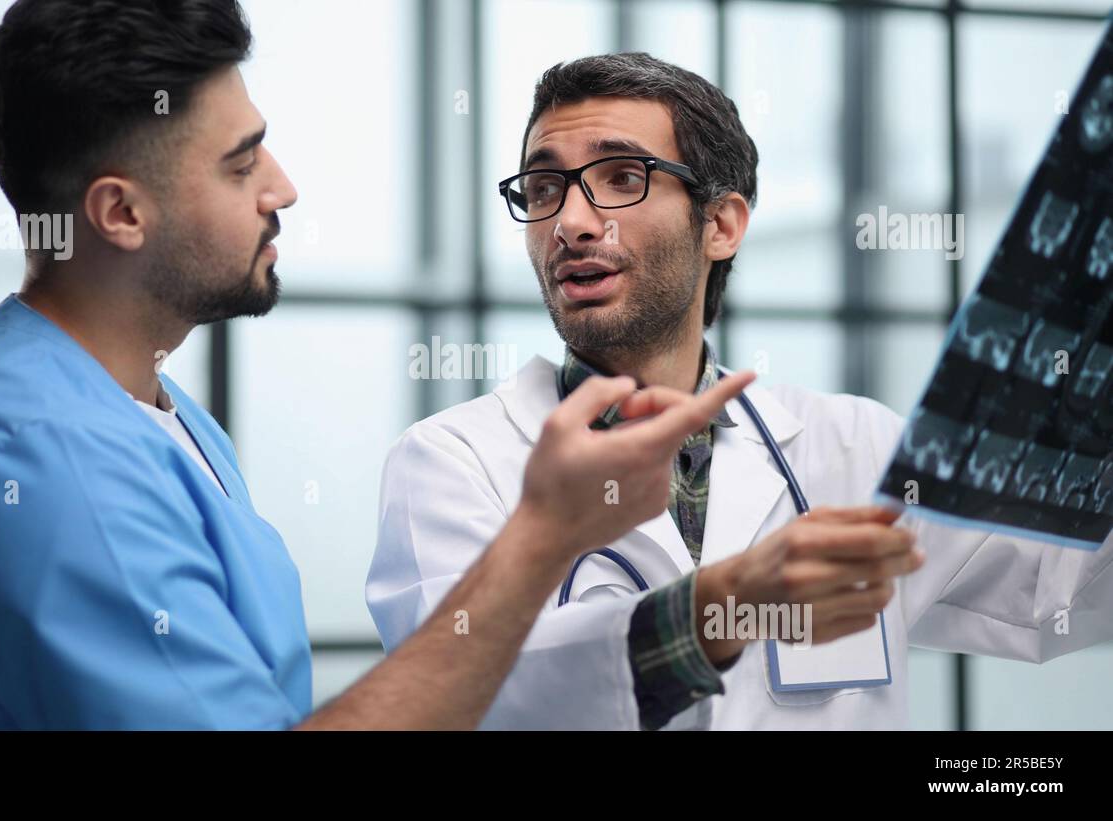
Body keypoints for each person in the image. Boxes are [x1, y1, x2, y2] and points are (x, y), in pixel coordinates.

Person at [0, 0, 754, 730]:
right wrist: (539, 539)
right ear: (120, 215)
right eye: (241, 161)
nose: (282, 187)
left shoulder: (153, 413)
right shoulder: (43, 463)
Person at [366, 52, 1113, 730]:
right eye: (543, 186)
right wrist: (724, 605)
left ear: (721, 224)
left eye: (622, 178)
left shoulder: (854, 449)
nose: (571, 223)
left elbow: (1060, 590)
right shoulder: (449, 463)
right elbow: (465, 700)